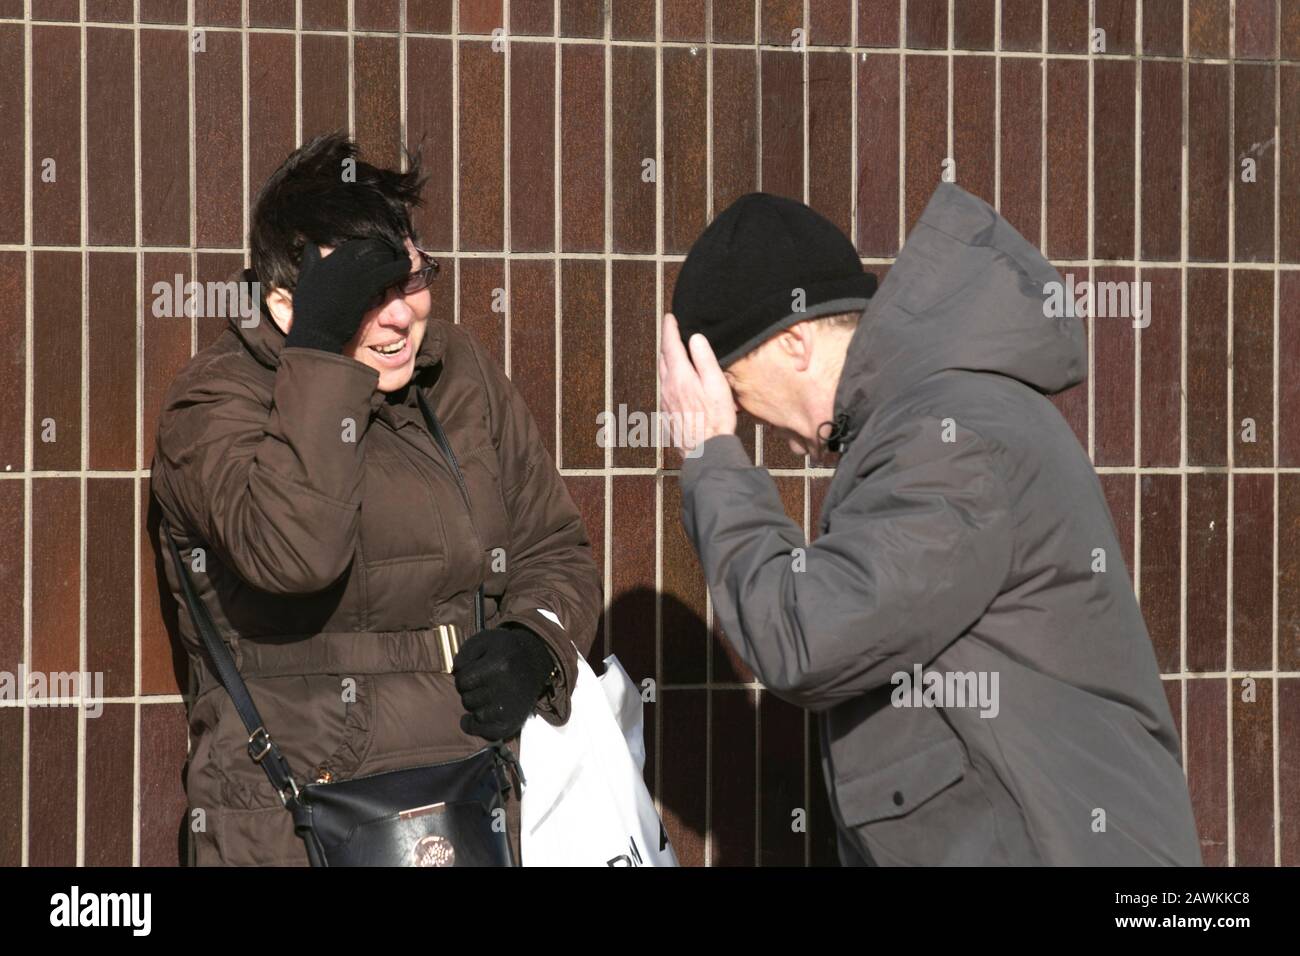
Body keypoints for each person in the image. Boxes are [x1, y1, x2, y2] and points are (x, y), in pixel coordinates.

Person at [658, 183, 1202, 866]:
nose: (750, 423)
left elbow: (807, 638)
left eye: (737, 393)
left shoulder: (946, 442)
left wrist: (711, 456)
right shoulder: (936, 418)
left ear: (794, 343)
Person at [151, 131, 601, 866]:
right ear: (287, 305)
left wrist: (536, 645)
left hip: (463, 797)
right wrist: (322, 357)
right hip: (298, 813)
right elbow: (295, 556)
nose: (398, 316)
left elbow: (553, 548)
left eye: (410, 280)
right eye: (364, 294)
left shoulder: (457, 373)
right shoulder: (213, 401)